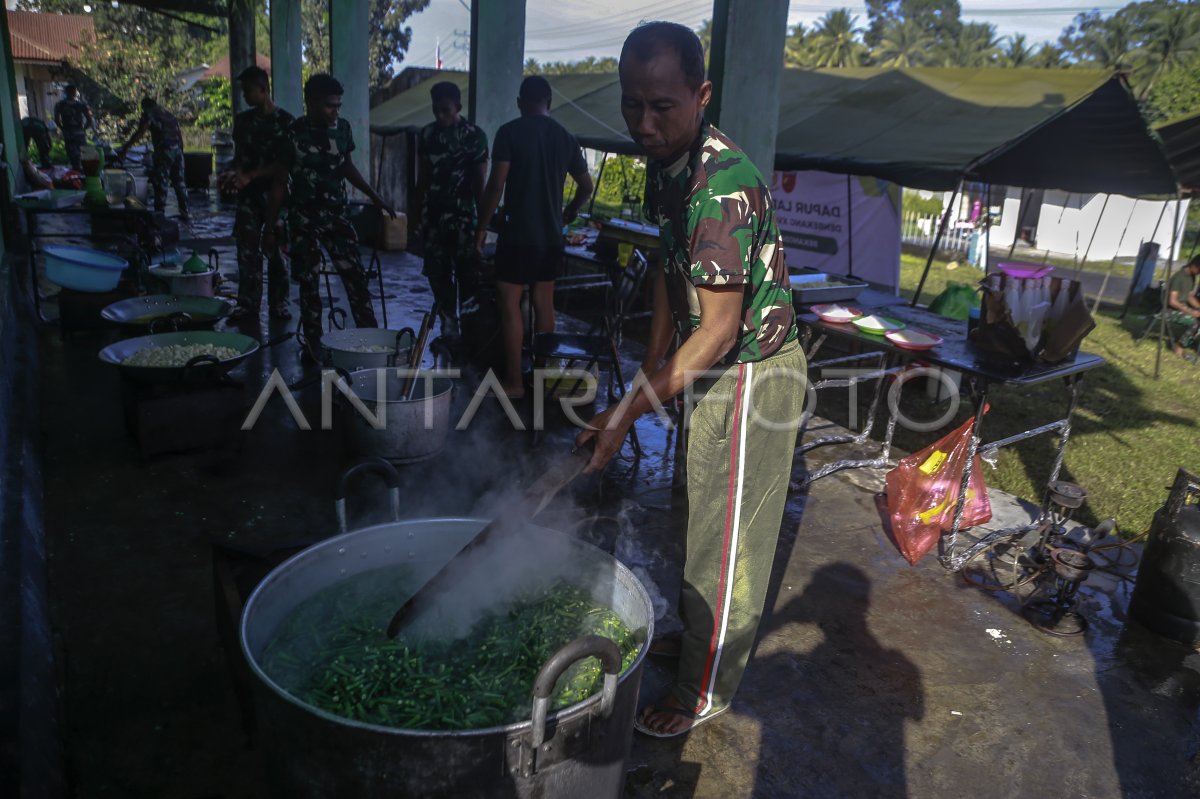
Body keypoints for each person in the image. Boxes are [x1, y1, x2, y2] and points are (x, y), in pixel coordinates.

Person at [576, 21, 806, 738]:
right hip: (711, 367)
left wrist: (624, 413)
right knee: (696, 515)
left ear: (701, 95)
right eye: (631, 105)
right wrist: (648, 369)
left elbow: (718, 330)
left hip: (752, 375)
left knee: (727, 537)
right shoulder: (663, 164)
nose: (643, 123)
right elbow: (670, 275)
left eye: (662, 107)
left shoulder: (720, 184)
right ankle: (696, 637)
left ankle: (704, 687)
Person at [475, 75, 594, 398]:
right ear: (549, 103)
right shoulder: (566, 138)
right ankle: (543, 380)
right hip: (550, 239)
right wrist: (567, 213)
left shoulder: (509, 132)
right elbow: (587, 187)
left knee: (510, 305)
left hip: (516, 237)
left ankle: (513, 382)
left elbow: (496, 185)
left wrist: (481, 227)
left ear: (519, 103)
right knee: (544, 304)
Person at [263, 73, 395, 363]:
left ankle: (372, 345)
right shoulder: (292, 134)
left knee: (356, 280)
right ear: (310, 103)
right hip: (303, 219)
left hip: (336, 215)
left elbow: (347, 168)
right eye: (328, 105)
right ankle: (313, 346)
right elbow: (279, 184)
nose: (335, 111)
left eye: (338, 105)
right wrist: (269, 228)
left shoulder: (343, 129)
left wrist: (376, 197)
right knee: (309, 285)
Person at [220, 66, 295, 321]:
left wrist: (250, 175)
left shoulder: (286, 122)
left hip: (279, 194)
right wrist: (234, 174)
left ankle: (279, 303)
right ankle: (248, 303)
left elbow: (284, 165)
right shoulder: (243, 122)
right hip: (249, 198)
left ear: (263, 90)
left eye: (248, 90)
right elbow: (240, 158)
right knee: (247, 250)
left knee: (276, 249)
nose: (244, 95)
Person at [416, 81, 489, 337]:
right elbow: (422, 178)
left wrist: (483, 224)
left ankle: (470, 333)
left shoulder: (473, 135)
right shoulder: (427, 134)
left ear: (458, 107)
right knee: (438, 274)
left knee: (468, 277)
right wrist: (417, 216)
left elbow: (480, 183)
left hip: (464, 219)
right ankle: (449, 328)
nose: (440, 115)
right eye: (436, 110)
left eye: (445, 110)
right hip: (434, 218)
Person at [117, 97, 190, 222]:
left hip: (164, 152)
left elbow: (140, 132)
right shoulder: (168, 114)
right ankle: (185, 212)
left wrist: (125, 148)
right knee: (179, 183)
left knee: (161, 182)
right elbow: (179, 134)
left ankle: (159, 214)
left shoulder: (149, 114)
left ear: (144, 107)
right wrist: (181, 153)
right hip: (177, 151)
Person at [53, 85, 95, 171]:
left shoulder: (59, 105)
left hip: (68, 132)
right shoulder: (81, 105)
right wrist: (84, 129)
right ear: (75, 93)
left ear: (66, 92)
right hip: (79, 132)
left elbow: (57, 120)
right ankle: (90, 171)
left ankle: (76, 171)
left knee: (72, 154)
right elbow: (89, 119)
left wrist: (63, 128)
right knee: (85, 152)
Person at [1165, 255, 1200, 357]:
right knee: (1196, 323)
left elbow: (1188, 296)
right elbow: (1172, 301)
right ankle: (1179, 347)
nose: (1199, 273)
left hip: (1181, 307)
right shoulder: (1179, 277)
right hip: (1169, 310)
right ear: (1194, 265)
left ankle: (1188, 343)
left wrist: (1198, 307)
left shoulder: (1191, 277)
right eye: (1199, 270)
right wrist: (1190, 312)